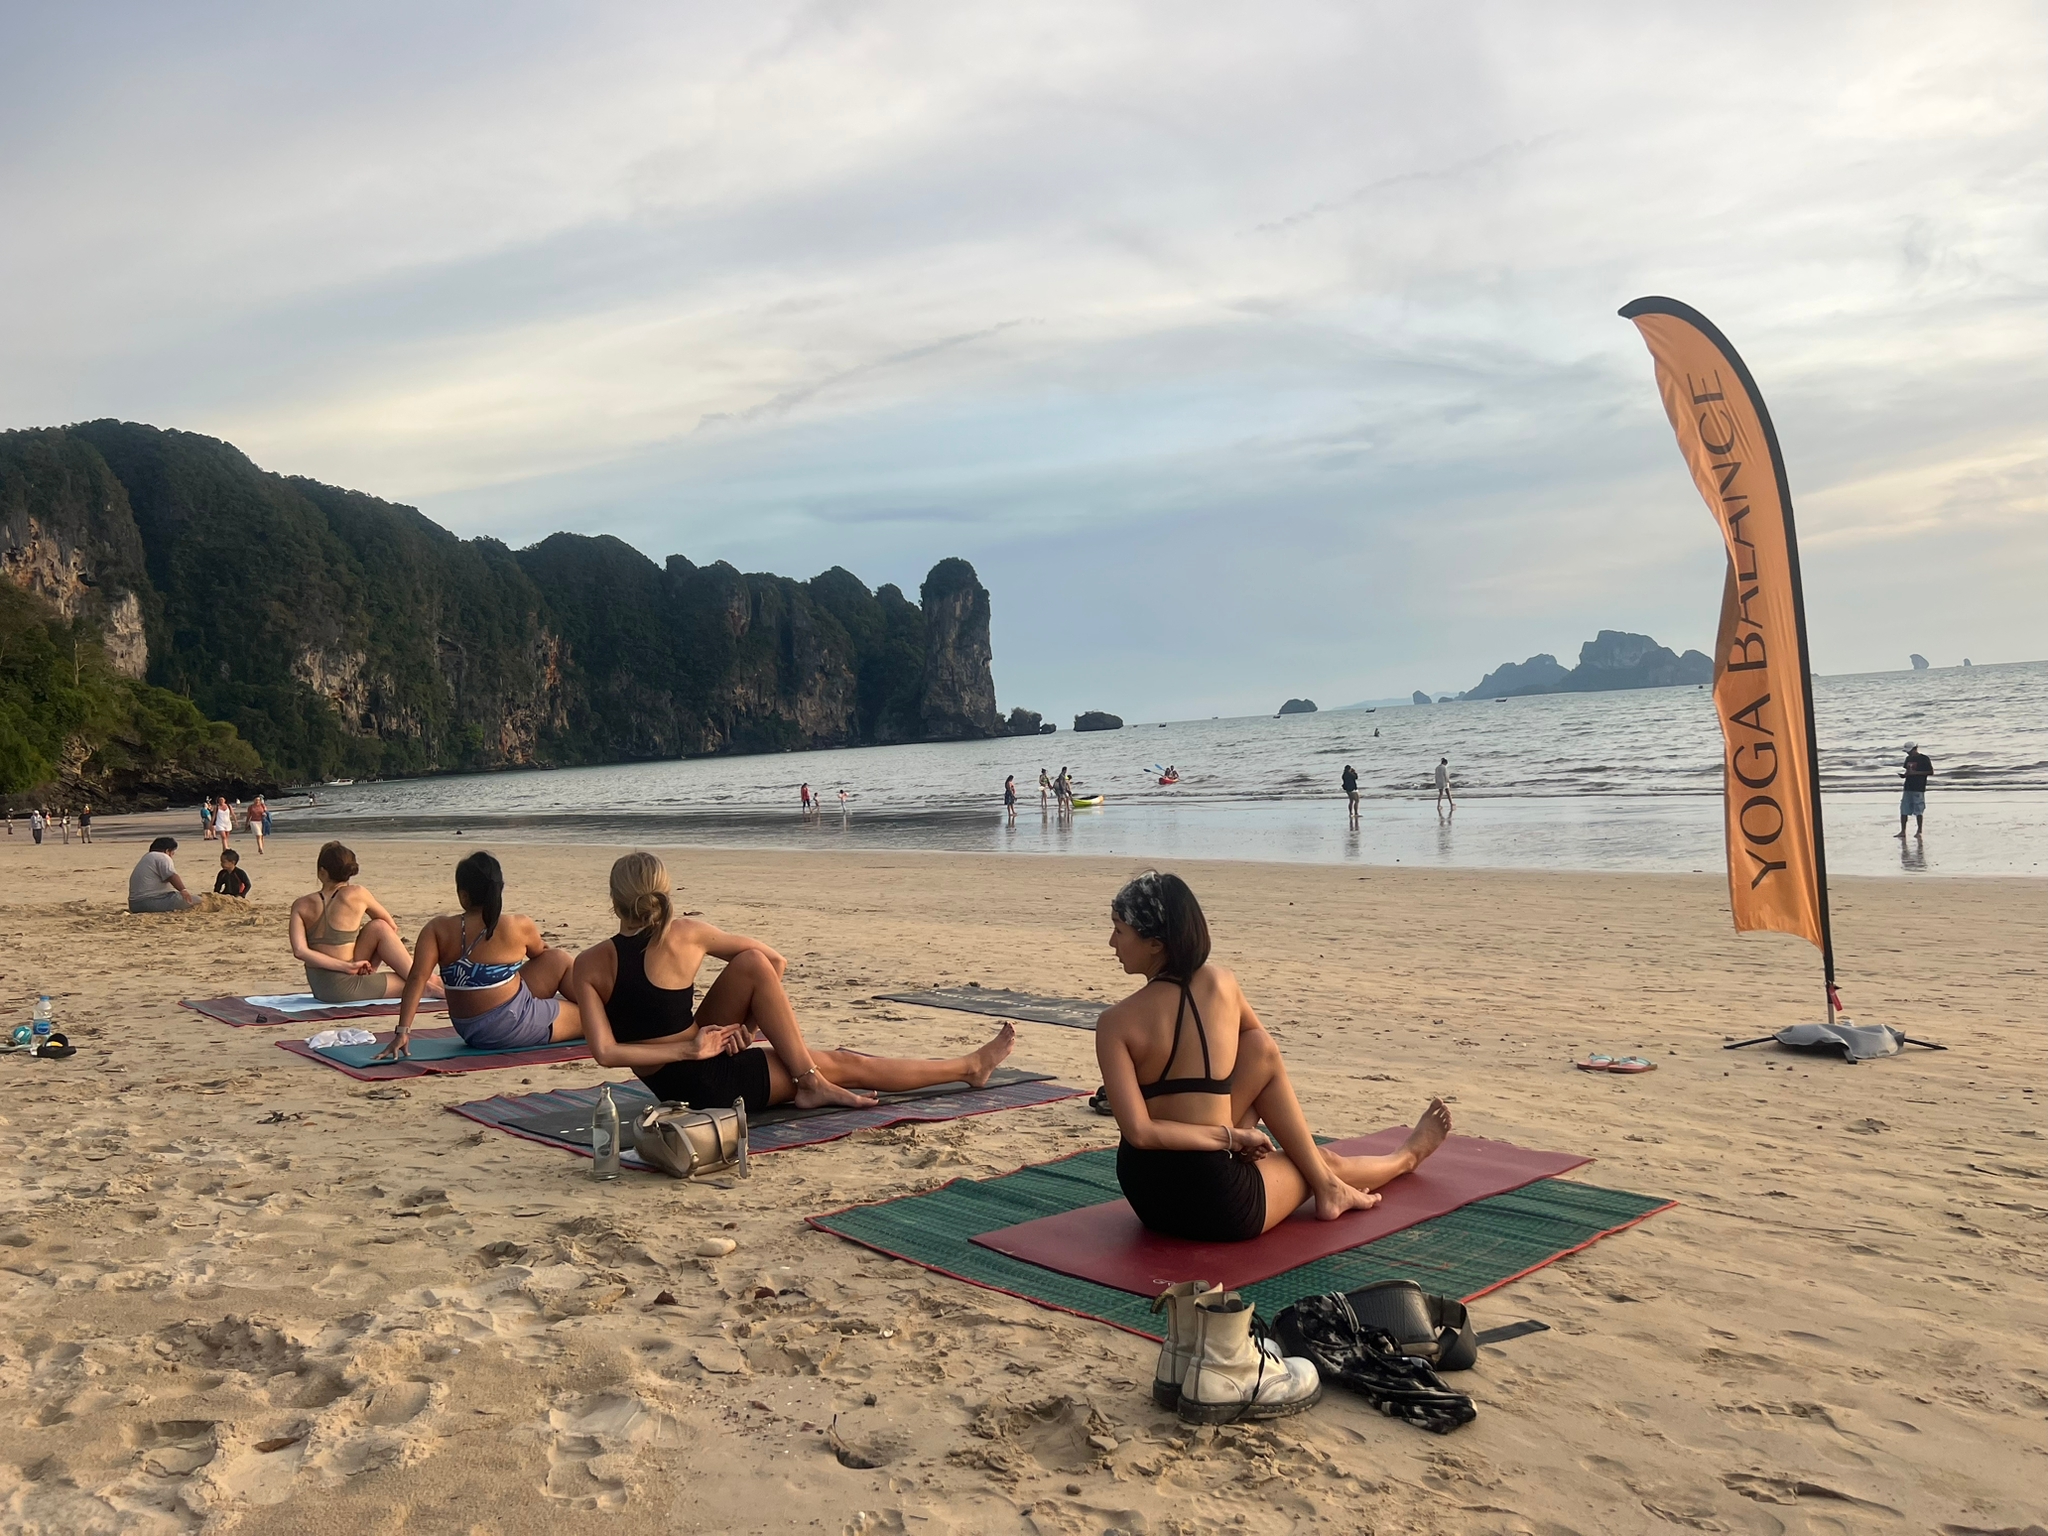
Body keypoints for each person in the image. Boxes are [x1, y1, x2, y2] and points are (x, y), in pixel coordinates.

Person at [1095, 870, 1450, 1242]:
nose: (1111, 943)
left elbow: (1140, 1134)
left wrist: (1238, 1127)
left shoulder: (1115, 1023)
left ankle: (1333, 1181)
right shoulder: (1221, 984)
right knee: (1320, 1162)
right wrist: (1233, 1136)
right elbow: (1142, 1132)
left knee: (1260, 1050)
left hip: (1148, 1195)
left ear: (1155, 943)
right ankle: (1398, 1161)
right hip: (1214, 1203)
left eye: (1119, 931)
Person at [569, 852, 1016, 1113]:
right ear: (665, 892)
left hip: (670, 1078)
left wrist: (741, 1030)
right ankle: (967, 1068)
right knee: (844, 1062)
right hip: (705, 1081)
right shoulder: (687, 932)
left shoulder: (589, 964)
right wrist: (696, 1047)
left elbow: (606, 1054)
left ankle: (807, 1074)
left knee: (750, 965)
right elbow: (776, 960)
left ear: (614, 902)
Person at [381, 851, 578, 1058]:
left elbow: (417, 978)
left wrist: (403, 1031)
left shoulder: (438, 929)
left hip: (468, 1028)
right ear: (498, 890)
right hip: (508, 1025)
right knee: (594, 1019)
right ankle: (609, 1013)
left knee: (557, 959)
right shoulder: (517, 925)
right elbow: (540, 952)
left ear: (464, 895)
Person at [290, 842, 432, 1003]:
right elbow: (391, 927)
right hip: (344, 988)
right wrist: (354, 966)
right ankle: (425, 985)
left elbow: (300, 951)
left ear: (322, 872)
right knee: (417, 981)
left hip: (320, 988)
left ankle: (423, 981)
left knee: (377, 927)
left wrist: (353, 967)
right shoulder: (357, 893)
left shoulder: (300, 905)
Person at [128, 837, 197, 912]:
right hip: (151, 902)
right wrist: (183, 890)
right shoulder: (162, 857)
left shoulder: (147, 857)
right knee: (198, 900)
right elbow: (171, 875)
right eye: (172, 853)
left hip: (134, 905)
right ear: (167, 851)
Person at [1898, 741, 1934, 839]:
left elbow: (1930, 772)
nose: (1908, 753)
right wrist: (1905, 775)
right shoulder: (1908, 759)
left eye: (1909, 751)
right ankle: (1903, 831)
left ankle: (1919, 830)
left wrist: (1916, 773)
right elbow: (1908, 771)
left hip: (1919, 787)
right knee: (1903, 809)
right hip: (1908, 786)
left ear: (1915, 748)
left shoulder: (1924, 759)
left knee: (1918, 809)